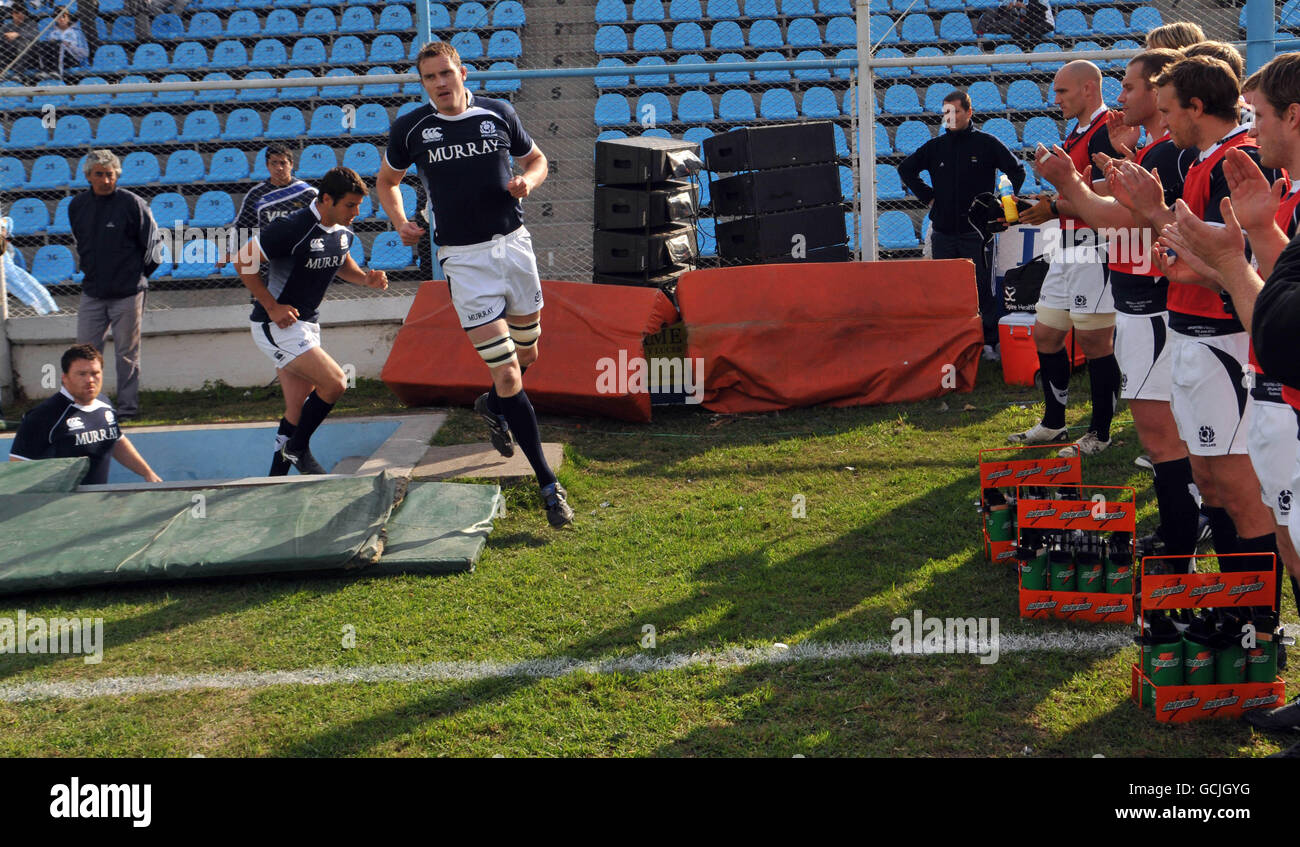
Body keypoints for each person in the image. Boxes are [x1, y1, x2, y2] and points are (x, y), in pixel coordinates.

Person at [1159, 52, 1300, 755]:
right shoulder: (1278, 191)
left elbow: (1268, 306)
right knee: (1276, 527)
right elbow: (1275, 290)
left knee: (1250, 502)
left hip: (1237, 352)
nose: (1255, 130)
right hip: (1258, 368)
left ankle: (1254, 625)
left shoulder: (1234, 164)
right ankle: (1249, 624)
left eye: (1263, 116)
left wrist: (1223, 260)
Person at [376, 40, 574, 528]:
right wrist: (400, 221)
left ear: (462, 72)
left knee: (527, 358)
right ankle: (549, 486)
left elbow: (538, 161)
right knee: (510, 373)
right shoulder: (411, 129)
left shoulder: (498, 112)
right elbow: (387, 181)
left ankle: (492, 403)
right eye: (429, 78)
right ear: (423, 84)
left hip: (515, 248)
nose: (440, 84)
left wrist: (530, 180)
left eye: (446, 73)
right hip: (462, 261)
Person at [1110, 54, 1284, 582]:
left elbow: (1238, 266)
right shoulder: (1207, 159)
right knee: (1212, 483)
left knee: (1239, 491)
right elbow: (1206, 261)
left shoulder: (1239, 161)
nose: (1163, 123)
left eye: (1169, 111)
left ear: (1197, 107)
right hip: (1196, 334)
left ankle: (1252, 623)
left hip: (1223, 342)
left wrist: (1154, 212)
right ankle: (1236, 613)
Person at [1035, 48, 1202, 569]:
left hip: (1156, 304)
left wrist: (1068, 187)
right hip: (1140, 301)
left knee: (1170, 436)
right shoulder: (1150, 150)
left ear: (1159, 93)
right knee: (1166, 435)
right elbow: (1106, 202)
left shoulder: (1168, 153)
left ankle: (1184, 544)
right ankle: (1182, 530)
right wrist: (1072, 191)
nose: (1120, 98)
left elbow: (1118, 218)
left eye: (1128, 88)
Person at [232, 166, 387, 476]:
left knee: (295, 410)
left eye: (358, 205)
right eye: (349, 205)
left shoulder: (344, 231)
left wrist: (366, 279)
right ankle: (297, 448)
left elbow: (342, 264)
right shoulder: (292, 227)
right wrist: (272, 306)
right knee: (335, 382)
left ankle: (274, 481)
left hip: (306, 326)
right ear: (326, 198)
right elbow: (243, 261)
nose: (356, 212)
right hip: (275, 325)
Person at [1010, 60, 1123, 457]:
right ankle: (1054, 423)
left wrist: (1053, 207)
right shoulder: (1078, 131)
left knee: (1094, 341)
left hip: (1097, 246)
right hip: (1070, 244)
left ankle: (1100, 433)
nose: (1054, 99)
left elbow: (1108, 195)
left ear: (1089, 88)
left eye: (1062, 92)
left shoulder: (1108, 129)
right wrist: (1045, 204)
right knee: (1046, 333)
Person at [898, 89, 1025, 360]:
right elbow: (906, 169)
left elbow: (1016, 169)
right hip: (943, 233)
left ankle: (989, 342)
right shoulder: (935, 148)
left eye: (956, 112)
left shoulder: (987, 143)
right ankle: (951, 343)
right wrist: (929, 197)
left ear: (969, 113)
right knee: (946, 290)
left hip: (976, 233)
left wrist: (1005, 202)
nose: (951, 118)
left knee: (982, 288)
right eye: (946, 113)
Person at [68, 149, 160, 421]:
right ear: (88, 176)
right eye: (99, 175)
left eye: (110, 175)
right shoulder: (77, 206)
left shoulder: (132, 204)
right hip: (93, 291)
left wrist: (136, 277)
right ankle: (85, 408)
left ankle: (127, 409)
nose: (106, 180)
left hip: (128, 292)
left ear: (117, 175)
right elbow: (80, 243)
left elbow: (153, 246)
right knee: (84, 352)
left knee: (126, 353)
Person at [8, 344, 161, 485]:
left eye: (95, 373)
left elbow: (116, 441)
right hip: (60, 509)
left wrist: (147, 473)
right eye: (81, 374)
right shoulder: (43, 416)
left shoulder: (105, 405)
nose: (90, 380)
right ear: (64, 377)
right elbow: (19, 466)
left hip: (95, 506)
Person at [974, 0, 1054, 48]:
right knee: (1016, 30)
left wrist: (1025, 7)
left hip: (1045, 21)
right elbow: (1001, 8)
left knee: (1035, 31)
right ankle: (1019, 49)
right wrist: (1007, 7)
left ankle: (1035, 51)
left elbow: (1042, 8)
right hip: (1030, 21)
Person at [42, 10, 86, 77]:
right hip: (53, 60)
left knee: (60, 44)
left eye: (64, 17)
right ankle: (45, 70)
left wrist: (69, 45)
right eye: (59, 17)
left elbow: (85, 53)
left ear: (69, 18)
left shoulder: (77, 33)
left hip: (72, 60)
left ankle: (58, 71)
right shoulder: (52, 33)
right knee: (44, 44)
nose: (61, 19)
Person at [0, 6, 39, 78]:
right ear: (12, 14)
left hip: (29, 56)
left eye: (22, 12)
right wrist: (5, 36)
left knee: (23, 43)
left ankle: (18, 74)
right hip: (10, 54)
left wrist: (18, 34)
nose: (20, 14)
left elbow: (35, 36)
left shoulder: (31, 24)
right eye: (17, 12)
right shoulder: (7, 26)